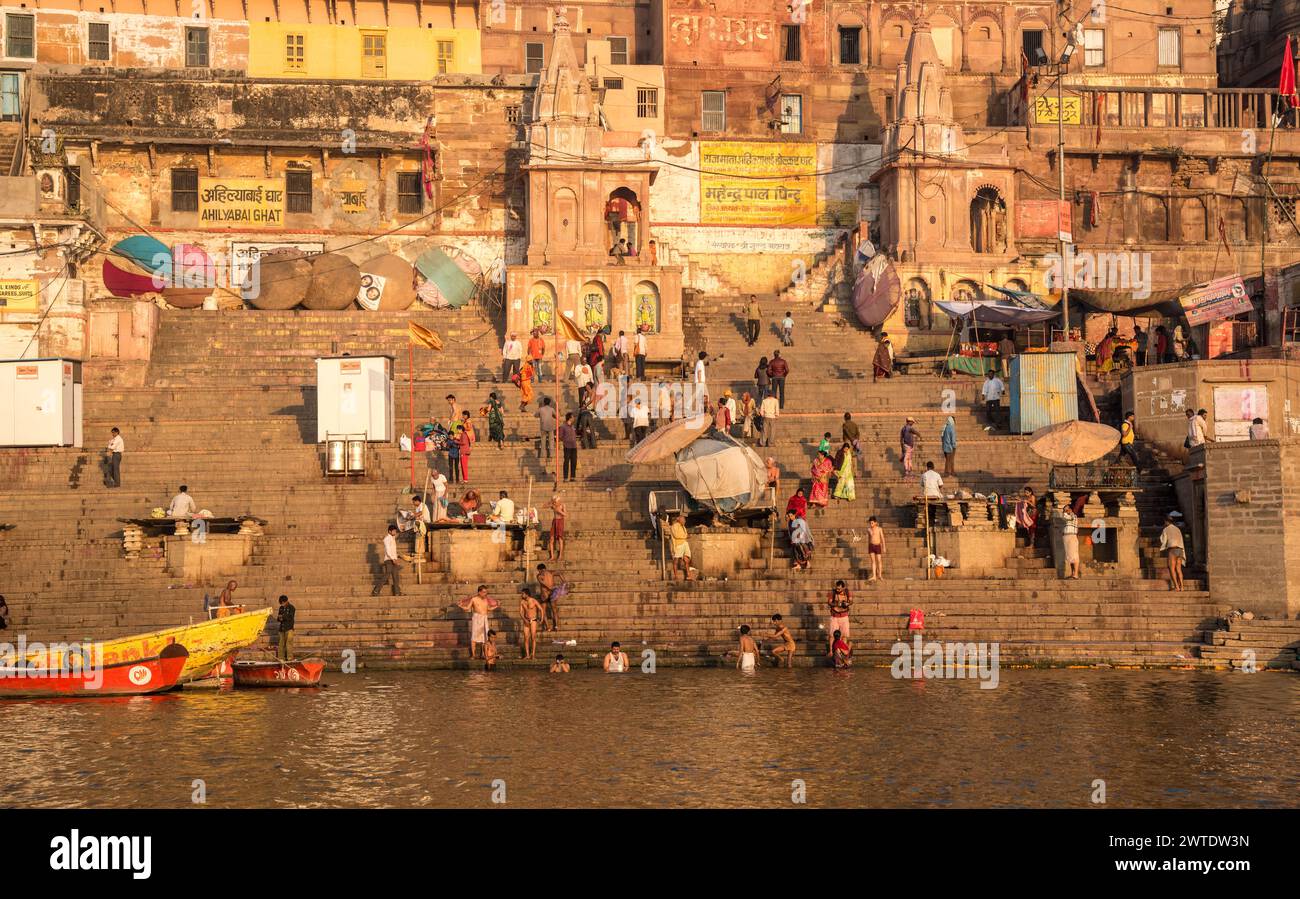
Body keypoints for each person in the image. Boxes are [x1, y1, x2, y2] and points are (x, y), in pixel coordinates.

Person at [458, 585, 499, 659]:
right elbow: (467, 608)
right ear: (479, 592)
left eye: (486, 592)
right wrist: (461, 606)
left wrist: (497, 606)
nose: (485, 594)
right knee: (474, 637)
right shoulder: (474, 599)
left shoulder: (486, 600)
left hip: (484, 618)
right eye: (483, 592)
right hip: (477, 618)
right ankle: (473, 655)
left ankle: (483, 654)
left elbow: (488, 609)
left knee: (485, 637)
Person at [1159, 513, 1185, 592]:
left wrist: (1162, 547)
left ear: (1166, 522)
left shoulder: (1166, 529)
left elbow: (1163, 540)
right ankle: (1182, 587)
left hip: (1172, 550)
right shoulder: (1177, 529)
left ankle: (1176, 587)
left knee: (1172, 569)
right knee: (1179, 569)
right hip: (1180, 549)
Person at [536, 563, 564, 631]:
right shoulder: (551, 572)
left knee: (544, 611)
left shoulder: (539, 575)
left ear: (539, 569)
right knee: (554, 610)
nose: (539, 572)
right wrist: (564, 581)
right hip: (552, 593)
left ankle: (548, 627)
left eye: (539, 570)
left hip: (544, 594)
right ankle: (556, 626)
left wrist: (549, 587)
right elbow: (559, 573)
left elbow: (543, 583)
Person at [518, 587, 543, 660]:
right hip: (526, 621)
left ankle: (533, 655)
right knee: (526, 638)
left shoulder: (533, 600)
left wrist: (541, 619)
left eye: (523, 594)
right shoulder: (522, 602)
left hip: (533, 620)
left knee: (533, 637)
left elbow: (541, 609)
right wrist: (524, 619)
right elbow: (521, 612)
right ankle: (527, 655)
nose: (521, 595)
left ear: (527, 594)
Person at [827, 581, 852, 653]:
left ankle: (843, 651)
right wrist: (836, 604)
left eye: (839, 589)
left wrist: (847, 603)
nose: (837, 590)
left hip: (844, 616)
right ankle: (831, 651)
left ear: (843, 588)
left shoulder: (847, 592)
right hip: (834, 616)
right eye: (837, 588)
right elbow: (829, 602)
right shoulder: (832, 592)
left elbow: (851, 601)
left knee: (844, 635)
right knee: (832, 635)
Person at [669, 512, 694, 580]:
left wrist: (686, 536)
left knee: (687, 559)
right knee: (676, 561)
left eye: (684, 520)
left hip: (684, 544)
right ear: (679, 519)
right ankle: (676, 576)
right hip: (678, 545)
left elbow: (685, 535)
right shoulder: (674, 526)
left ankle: (688, 575)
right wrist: (686, 536)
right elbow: (676, 535)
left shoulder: (683, 527)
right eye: (683, 519)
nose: (684, 521)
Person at [1061, 503, 1081, 579]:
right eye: (1064, 510)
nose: (1065, 511)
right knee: (1069, 556)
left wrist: (1064, 513)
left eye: (1066, 509)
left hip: (1071, 536)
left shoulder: (1073, 516)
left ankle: (1075, 574)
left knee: (1074, 556)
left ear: (1070, 509)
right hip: (1067, 537)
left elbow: (1065, 517)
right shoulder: (1068, 516)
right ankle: (1072, 573)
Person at [455, 410, 475, 482]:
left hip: (464, 451)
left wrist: (456, 442)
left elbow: (469, 428)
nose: (463, 416)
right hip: (463, 451)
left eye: (464, 415)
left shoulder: (468, 422)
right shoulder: (465, 422)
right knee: (463, 466)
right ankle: (465, 479)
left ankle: (465, 479)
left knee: (464, 466)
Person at [537, 396, 557, 463]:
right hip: (550, 427)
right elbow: (556, 416)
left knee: (543, 441)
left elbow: (535, 415)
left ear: (544, 403)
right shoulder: (551, 409)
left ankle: (543, 455)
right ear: (550, 403)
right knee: (551, 441)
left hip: (543, 427)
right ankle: (551, 454)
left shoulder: (541, 409)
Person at [276, 594, 295, 660]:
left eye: (282, 603)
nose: (281, 604)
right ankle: (281, 658)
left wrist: (282, 617)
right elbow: (278, 618)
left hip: (289, 628)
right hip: (282, 628)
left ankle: (289, 658)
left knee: (288, 644)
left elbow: (290, 617)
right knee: (281, 645)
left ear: (285, 601)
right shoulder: (281, 608)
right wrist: (280, 618)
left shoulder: (291, 607)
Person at [548, 494, 567, 561]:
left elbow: (565, 514)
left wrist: (559, 511)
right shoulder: (553, 505)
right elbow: (544, 506)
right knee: (551, 539)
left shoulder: (563, 505)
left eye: (556, 501)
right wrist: (551, 502)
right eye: (554, 501)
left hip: (560, 521)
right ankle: (552, 556)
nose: (555, 503)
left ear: (559, 500)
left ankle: (560, 556)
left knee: (560, 539)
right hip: (554, 521)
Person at [866, 516, 885, 582]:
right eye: (870, 523)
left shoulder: (879, 529)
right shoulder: (869, 529)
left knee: (879, 561)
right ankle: (874, 576)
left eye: (872, 523)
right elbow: (869, 538)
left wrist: (884, 547)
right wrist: (868, 546)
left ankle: (879, 575)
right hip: (871, 546)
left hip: (878, 546)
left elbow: (882, 538)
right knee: (873, 561)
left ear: (875, 523)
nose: (871, 524)